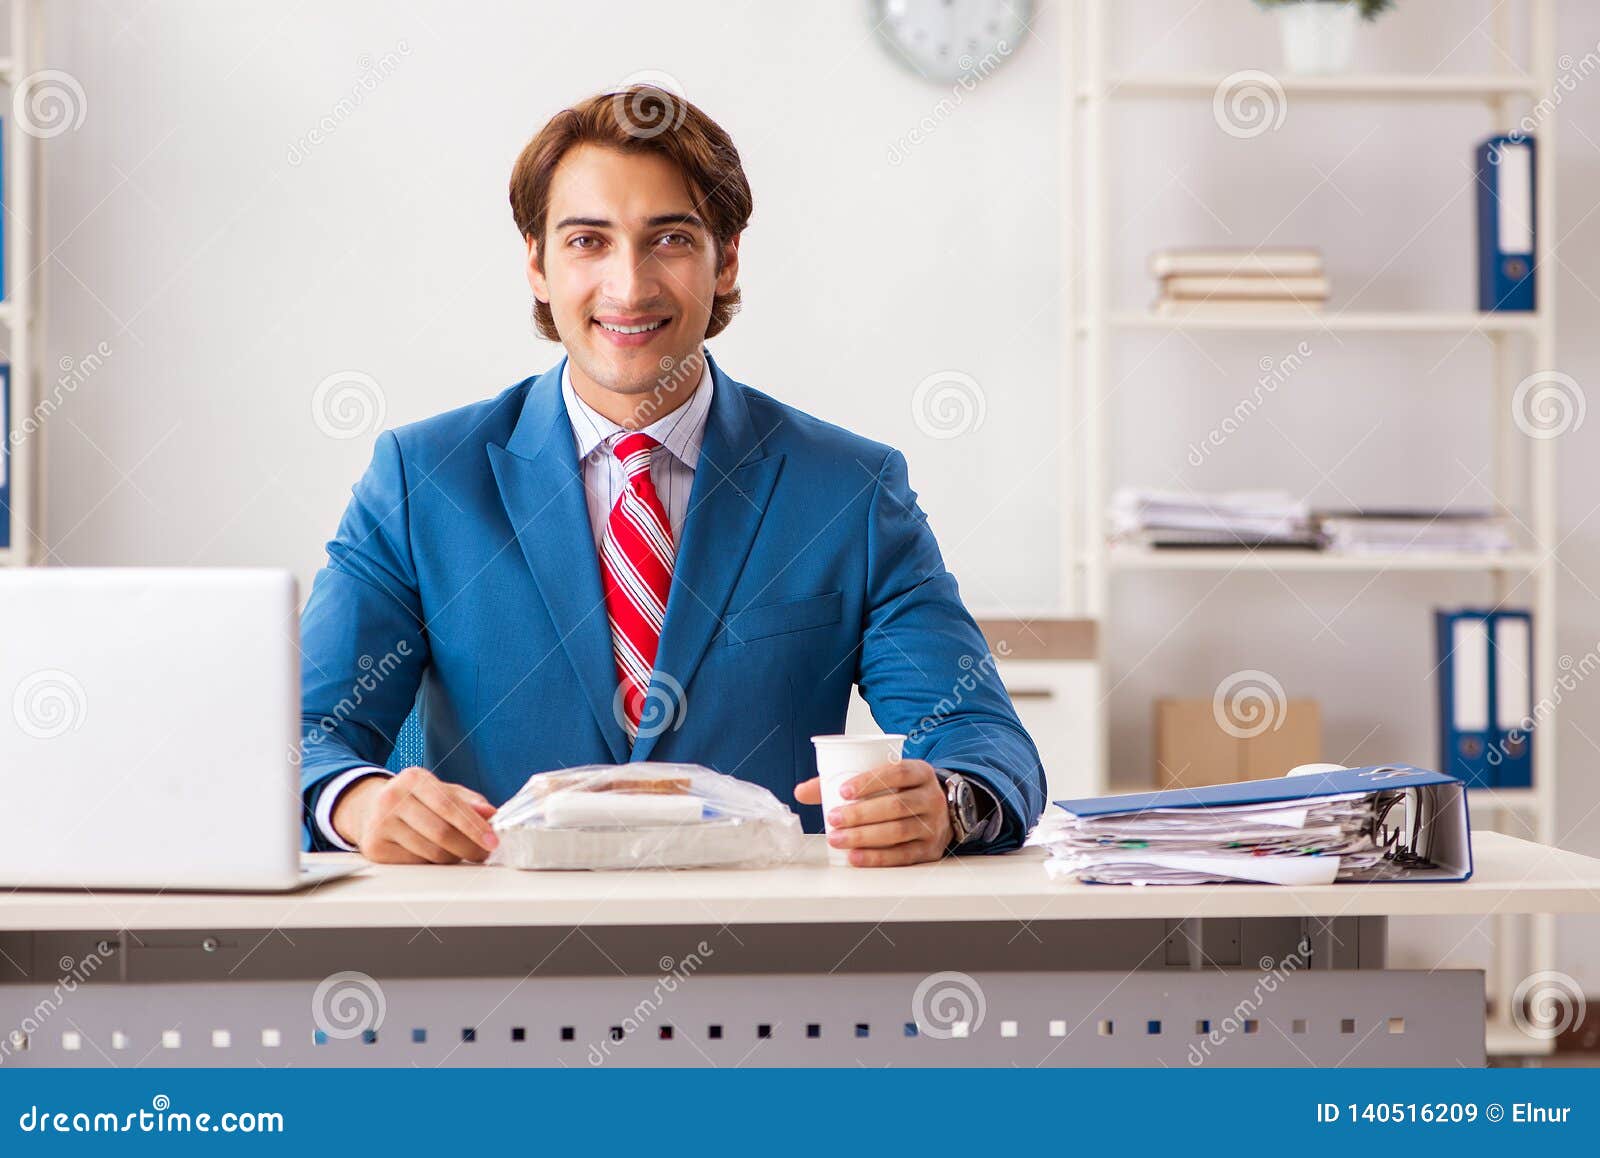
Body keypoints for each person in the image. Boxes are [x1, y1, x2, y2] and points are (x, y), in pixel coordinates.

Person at [297, 85, 1044, 867]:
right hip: (502, 955)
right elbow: (303, 739)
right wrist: (360, 801)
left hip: (763, 956)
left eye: (671, 240)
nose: (629, 287)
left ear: (726, 260)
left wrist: (949, 804)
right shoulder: (424, 482)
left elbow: (982, 738)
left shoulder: (850, 490)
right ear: (537, 265)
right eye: (588, 241)